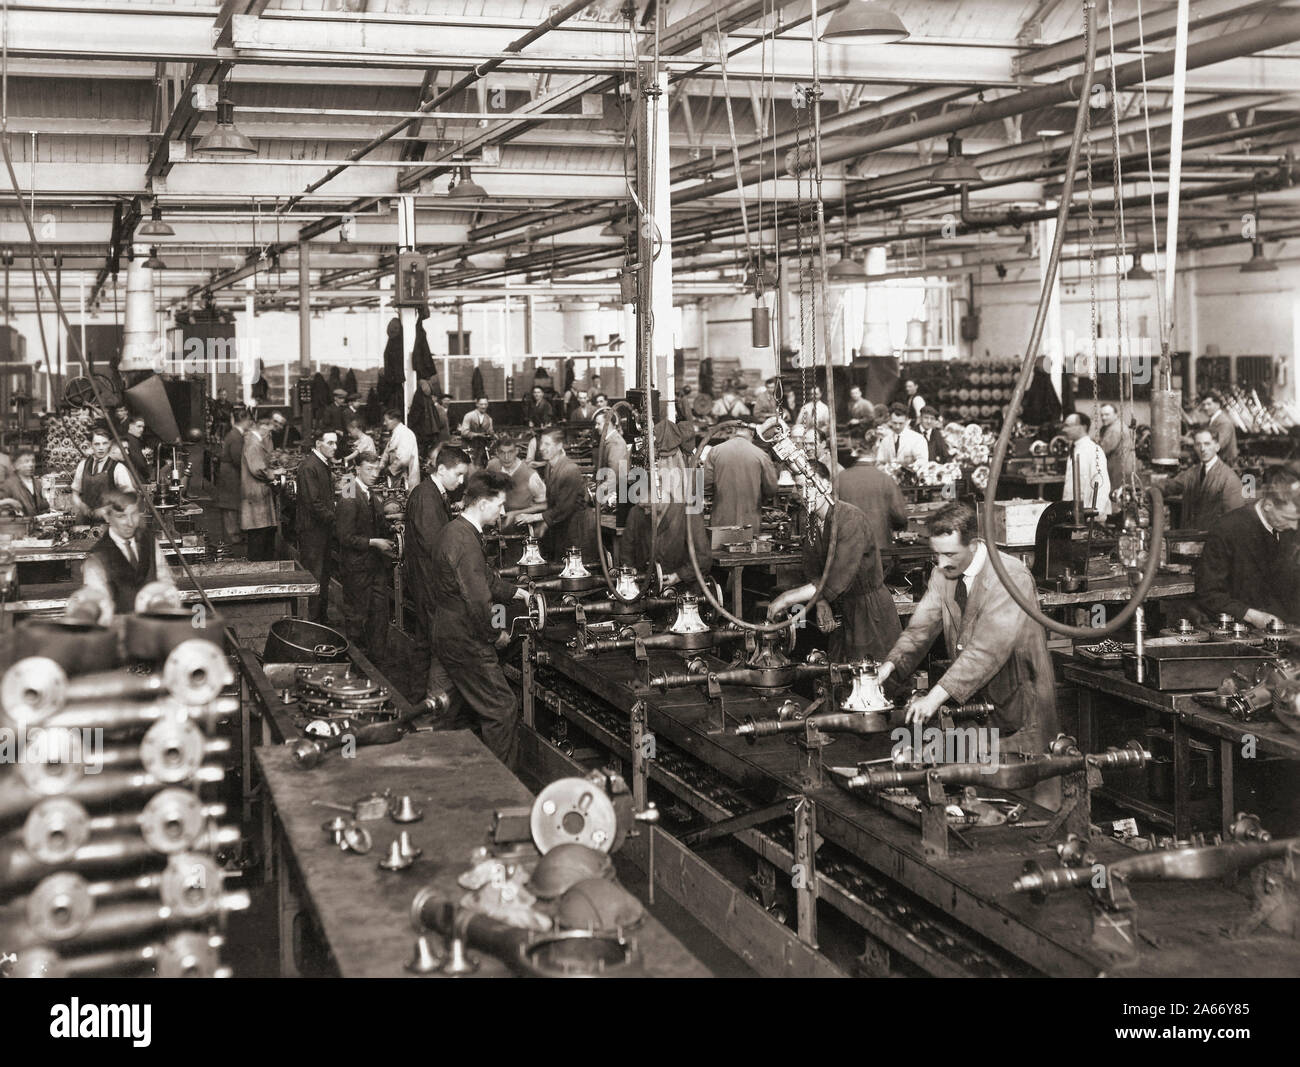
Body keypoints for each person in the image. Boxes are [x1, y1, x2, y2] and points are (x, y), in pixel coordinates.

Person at [878, 502, 1058, 759]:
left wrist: (934, 698)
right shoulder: (943, 574)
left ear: (973, 545)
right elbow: (920, 630)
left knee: (1019, 776)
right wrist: (889, 666)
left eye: (950, 554)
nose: (941, 563)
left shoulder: (1010, 577)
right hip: (976, 703)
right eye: (936, 554)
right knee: (974, 772)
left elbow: (986, 650)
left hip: (1020, 706)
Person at [425, 470, 529, 766]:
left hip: (445, 633)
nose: (503, 512)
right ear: (483, 503)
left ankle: (436, 771)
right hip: (467, 639)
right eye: (500, 505)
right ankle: (499, 782)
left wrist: (516, 592)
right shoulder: (465, 542)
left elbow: (484, 579)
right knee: (502, 709)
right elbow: (478, 599)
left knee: (441, 708)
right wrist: (495, 635)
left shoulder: (454, 531)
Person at [767, 461, 901, 662]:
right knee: (839, 672)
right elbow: (812, 568)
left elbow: (836, 579)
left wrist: (786, 599)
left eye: (811, 486)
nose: (805, 494)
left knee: (873, 673)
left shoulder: (850, 518)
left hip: (869, 611)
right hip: (841, 609)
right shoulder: (812, 520)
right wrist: (821, 602)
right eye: (800, 487)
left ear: (827, 485)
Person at [1195, 468, 1300, 628]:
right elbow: (1209, 594)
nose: (1294, 526)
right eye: (1287, 518)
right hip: (1243, 629)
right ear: (1268, 505)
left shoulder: (1291, 529)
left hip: (1290, 627)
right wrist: (1252, 615)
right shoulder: (1228, 529)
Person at [622, 420, 713, 589]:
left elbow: (703, 558)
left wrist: (678, 576)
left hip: (679, 589)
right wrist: (630, 572)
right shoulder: (637, 512)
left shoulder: (687, 510)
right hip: (644, 587)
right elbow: (626, 552)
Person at [405, 444, 470, 645]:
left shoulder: (434, 493)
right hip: (428, 579)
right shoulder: (427, 497)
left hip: (429, 577)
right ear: (441, 469)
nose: (461, 481)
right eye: (458, 474)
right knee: (434, 638)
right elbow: (434, 544)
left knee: (427, 638)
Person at [80, 489, 176, 617]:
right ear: (107, 517)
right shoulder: (97, 557)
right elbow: (99, 602)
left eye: (134, 514)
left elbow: (165, 580)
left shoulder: (150, 542)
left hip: (154, 622)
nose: (130, 523)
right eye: (122, 516)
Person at [336, 453, 395, 658]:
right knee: (357, 614)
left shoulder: (371, 494)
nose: (374, 473)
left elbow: (377, 522)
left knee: (379, 613)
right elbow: (344, 537)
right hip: (356, 567)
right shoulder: (349, 493)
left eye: (376, 469)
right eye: (369, 469)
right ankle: (355, 660)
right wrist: (373, 542)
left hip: (374, 564)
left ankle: (377, 659)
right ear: (357, 469)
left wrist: (393, 524)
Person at [513, 428, 593, 561]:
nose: (541, 448)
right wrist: (544, 524)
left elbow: (563, 508)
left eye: (547, 444)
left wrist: (532, 518)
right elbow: (553, 504)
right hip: (561, 526)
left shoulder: (569, 469)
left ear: (559, 445)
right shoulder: (550, 467)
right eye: (541, 443)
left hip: (576, 528)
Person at [1158, 427, 1245, 531]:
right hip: (1190, 537)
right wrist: (1152, 490)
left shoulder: (1229, 479)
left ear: (1217, 447)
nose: (1202, 449)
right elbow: (1170, 486)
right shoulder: (1192, 473)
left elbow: (1234, 522)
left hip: (1214, 538)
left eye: (1207, 444)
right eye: (1198, 444)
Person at [294, 427, 338, 624]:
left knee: (324, 575)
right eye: (330, 443)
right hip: (312, 531)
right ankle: (311, 622)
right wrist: (335, 518)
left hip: (322, 529)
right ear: (319, 444)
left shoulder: (322, 464)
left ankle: (321, 618)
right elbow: (313, 503)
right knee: (314, 575)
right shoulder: (309, 467)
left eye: (336, 443)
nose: (335, 447)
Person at [705, 421, 777, 539]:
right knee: (748, 549)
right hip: (750, 522)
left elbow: (705, 485)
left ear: (733, 431)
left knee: (719, 549)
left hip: (721, 521)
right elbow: (771, 489)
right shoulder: (761, 455)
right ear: (753, 434)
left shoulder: (715, 451)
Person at [835, 435, 909, 552]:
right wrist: (897, 527)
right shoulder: (885, 479)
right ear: (874, 451)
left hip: (848, 546)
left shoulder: (840, 478)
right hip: (880, 545)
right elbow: (900, 516)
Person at [241, 413, 282, 561]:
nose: (269, 434)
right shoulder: (253, 443)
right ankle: (259, 568)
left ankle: (261, 565)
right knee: (258, 536)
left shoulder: (254, 442)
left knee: (261, 532)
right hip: (256, 494)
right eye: (269, 430)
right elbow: (258, 469)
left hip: (257, 493)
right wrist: (275, 473)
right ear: (262, 427)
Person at [72, 426, 134, 518]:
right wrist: (81, 505)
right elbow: (75, 493)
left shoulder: (118, 468)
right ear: (91, 445)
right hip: (85, 520)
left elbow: (130, 497)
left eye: (104, 443)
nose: (101, 448)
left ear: (109, 445)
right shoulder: (83, 465)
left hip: (109, 521)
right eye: (97, 444)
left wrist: (107, 509)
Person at [1061, 411, 1111, 519]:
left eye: (1068, 426)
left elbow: (1102, 484)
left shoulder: (1093, 450)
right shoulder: (1074, 449)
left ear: (1082, 427)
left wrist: (1094, 513)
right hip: (1073, 514)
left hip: (1088, 517)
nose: (1064, 430)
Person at [486, 437, 546, 528]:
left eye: (510, 452)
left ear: (516, 451)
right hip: (494, 522)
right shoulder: (492, 466)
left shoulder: (530, 475)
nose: (506, 457)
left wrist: (515, 513)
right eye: (502, 452)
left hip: (521, 524)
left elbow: (544, 505)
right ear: (497, 453)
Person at [216, 406, 250, 545]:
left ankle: (233, 535)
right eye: (249, 420)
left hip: (228, 472)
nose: (249, 423)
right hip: (231, 474)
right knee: (230, 504)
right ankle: (233, 537)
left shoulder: (234, 433)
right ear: (243, 419)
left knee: (230, 504)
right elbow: (238, 459)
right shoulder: (236, 436)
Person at [592, 406, 628, 511]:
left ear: (607, 424)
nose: (596, 427)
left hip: (613, 497)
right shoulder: (609, 441)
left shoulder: (616, 443)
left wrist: (596, 493)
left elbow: (615, 477)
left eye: (598, 424)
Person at [0, 447, 49, 516]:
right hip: (21, 522)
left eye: (33, 461)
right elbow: (3, 510)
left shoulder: (37, 483)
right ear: (16, 465)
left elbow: (43, 507)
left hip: (37, 521)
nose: (31, 464)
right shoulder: (9, 485)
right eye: (26, 461)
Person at [380, 408, 421, 488]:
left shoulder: (405, 433)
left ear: (395, 420)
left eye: (386, 420)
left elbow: (403, 459)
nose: (384, 423)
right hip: (397, 477)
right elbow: (387, 452)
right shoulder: (396, 433)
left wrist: (389, 470)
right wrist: (380, 466)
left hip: (406, 478)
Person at [1094, 402, 1128, 490]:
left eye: (1107, 415)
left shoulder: (1114, 430)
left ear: (1116, 414)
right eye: (1102, 415)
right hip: (1119, 468)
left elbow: (1102, 450)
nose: (1103, 418)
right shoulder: (1115, 425)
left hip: (1117, 470)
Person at [1199, 390, 1238, 464]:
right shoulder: (1211, 421)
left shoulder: (1224, 422)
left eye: (1209, 404)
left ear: (1218, 405)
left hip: (1226, 464)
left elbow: (1217, 446)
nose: (1205, 407)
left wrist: (1195, 443)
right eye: (1203, 405)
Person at [120, 415, 151, 481]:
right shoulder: (132, 441)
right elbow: (140, 463)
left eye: (143, 427)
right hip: (136, 478)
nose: (142, 429)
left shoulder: (130, 439)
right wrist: (148, 475)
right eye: (139, 426)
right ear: (130, 426)